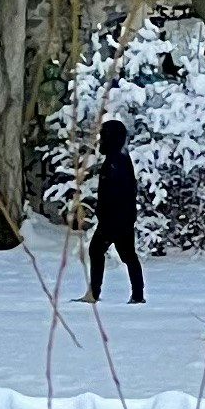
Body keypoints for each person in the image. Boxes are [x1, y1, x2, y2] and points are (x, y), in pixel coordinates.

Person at [87, 118, 145, 302]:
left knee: (97, 250)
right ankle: (137, 294)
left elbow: (115, 192)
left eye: (103, 137)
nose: (100, 141)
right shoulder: (119, 158)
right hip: (122, 217)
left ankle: (94, 294)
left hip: (114, 219)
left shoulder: (116, 161)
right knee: (128, 255)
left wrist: (107, 216)